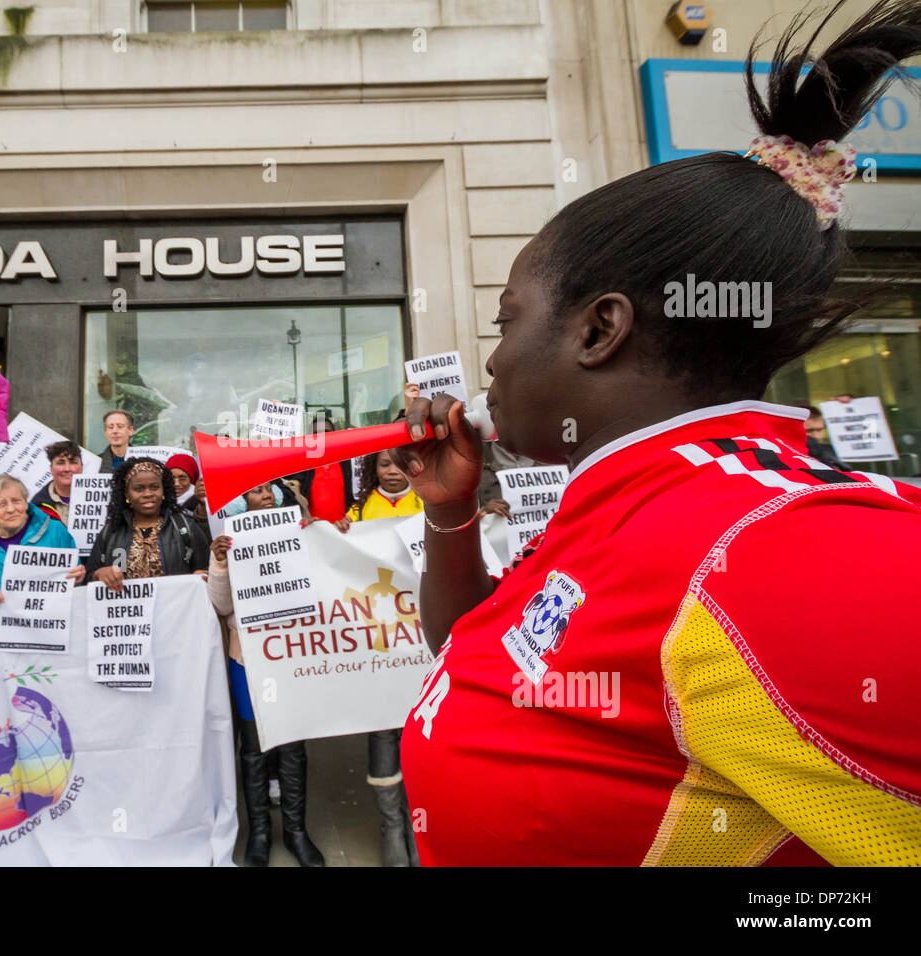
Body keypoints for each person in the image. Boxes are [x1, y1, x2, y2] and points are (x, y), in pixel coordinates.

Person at [393, 0, 921, 867]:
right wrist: (451, 517)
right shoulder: (635, 505)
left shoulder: (775, 550)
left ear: (599, 330)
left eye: (507, 320)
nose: (491, 363)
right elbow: (481, 659)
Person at [207, 483, 324, 868]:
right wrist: (220, 563)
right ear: (243, 501)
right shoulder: (230, 540)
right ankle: (259, 832)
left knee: (292, 746)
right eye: (256, 492)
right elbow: (221, 605)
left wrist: (327, 534)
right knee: (255, 749)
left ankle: (295, 832)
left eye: (271, 490)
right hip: (247, 658)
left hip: (290, 655)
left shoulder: (298, 533)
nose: (267, 496)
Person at [339, 450, 424, 866]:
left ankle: (420, 824)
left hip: (422, 632)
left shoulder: (430, 500)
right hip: (377, 637)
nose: (392, 472)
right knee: (383, 723)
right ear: (372, 471)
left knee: (420, 722)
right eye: (384, 466)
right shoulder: (356, 511)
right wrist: (331, 533)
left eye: (399, 465)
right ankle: (393, 824)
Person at [0, 475, 83, 630]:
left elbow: (76, 591)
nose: (11, 509)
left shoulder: (55, 532)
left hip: (47, 640)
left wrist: (78, 578)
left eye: (16, 500)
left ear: (26, 502)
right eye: (1, 504)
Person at [84, 459, 209, 589]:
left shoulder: (184, 527)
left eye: (154, 487)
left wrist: (203, 575)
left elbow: (207, 570)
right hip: (128, 608)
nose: (148, 494)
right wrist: (99, 574)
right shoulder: (113, 531)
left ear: (164, 491)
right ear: (127, 494)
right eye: (139, 489)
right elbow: (89, 579)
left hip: (175, 608)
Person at [285, 412, 354, 523]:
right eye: (316, 434)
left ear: (335, 435)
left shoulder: (347, 462)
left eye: (326, 432)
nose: (322, 437)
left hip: (344, 532)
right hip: (314, 532)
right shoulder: (304, 466)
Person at [31, 440, 83, 524]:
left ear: (82, 467)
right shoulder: (37, 507)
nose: (67, 469)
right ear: (51, 469)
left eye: (73, 462)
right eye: (60, 463)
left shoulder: (99, 501)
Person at [166, 453, 211, 545]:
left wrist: (202, 506)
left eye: (182, 478)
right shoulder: (158, 502)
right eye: (171, 478)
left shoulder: (201, 501)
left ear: (191, 479)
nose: (176, 484)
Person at [802, 405, 848, 469]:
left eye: (819, 430)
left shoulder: (833, 452)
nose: (816, 436)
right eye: (809, 431)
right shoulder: (786, 456)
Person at [97, 409, 136, 474]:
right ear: (105, 433)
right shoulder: (96, 461)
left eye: (120, 426)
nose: (115, 431)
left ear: (130, 430)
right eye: (110, 427)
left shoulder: (143, 461)